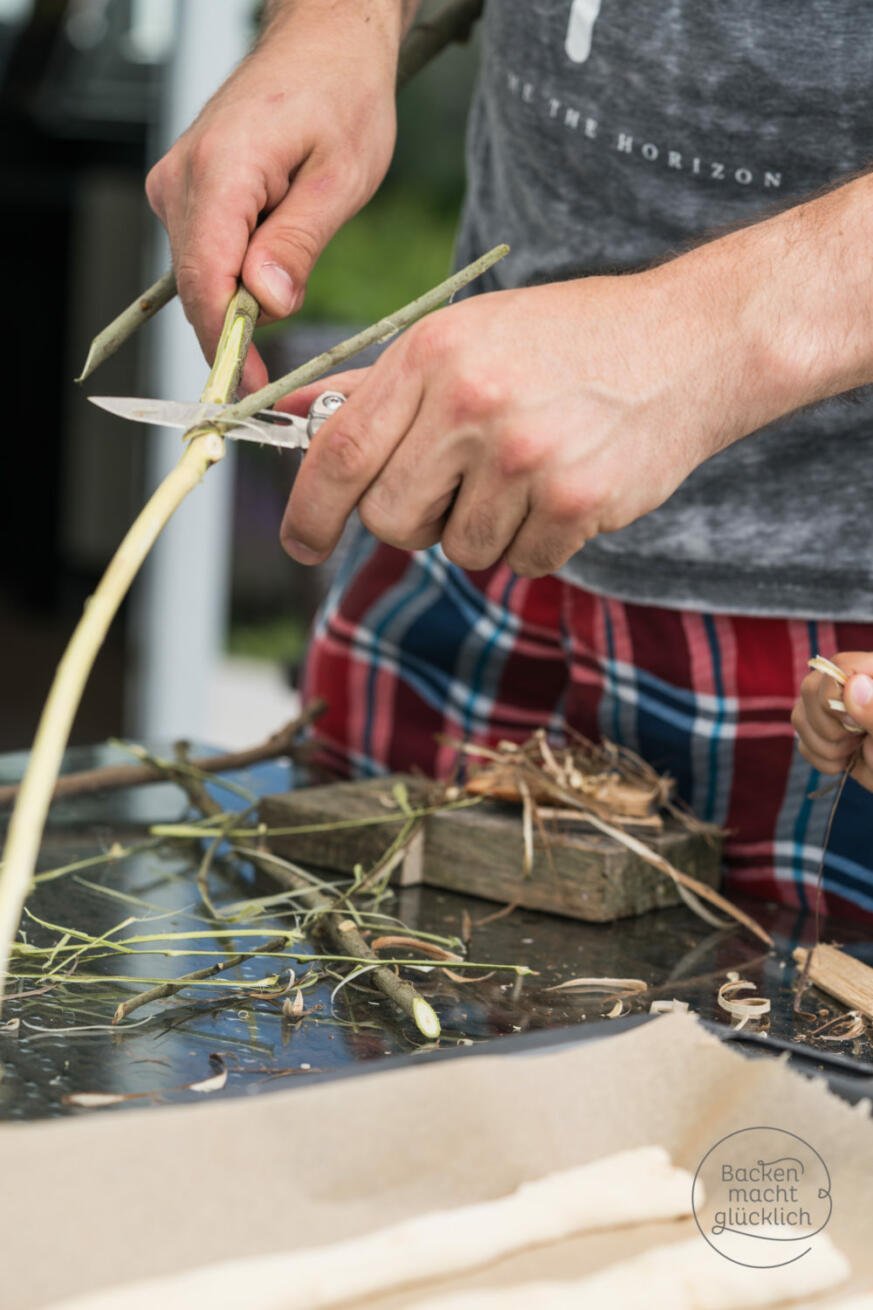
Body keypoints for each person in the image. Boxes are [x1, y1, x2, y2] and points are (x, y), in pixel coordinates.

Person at [146, 1, 873, 921]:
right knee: (360, 993)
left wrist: (698, 339)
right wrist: (336, 25)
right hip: (472, 529)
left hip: (840, 669)